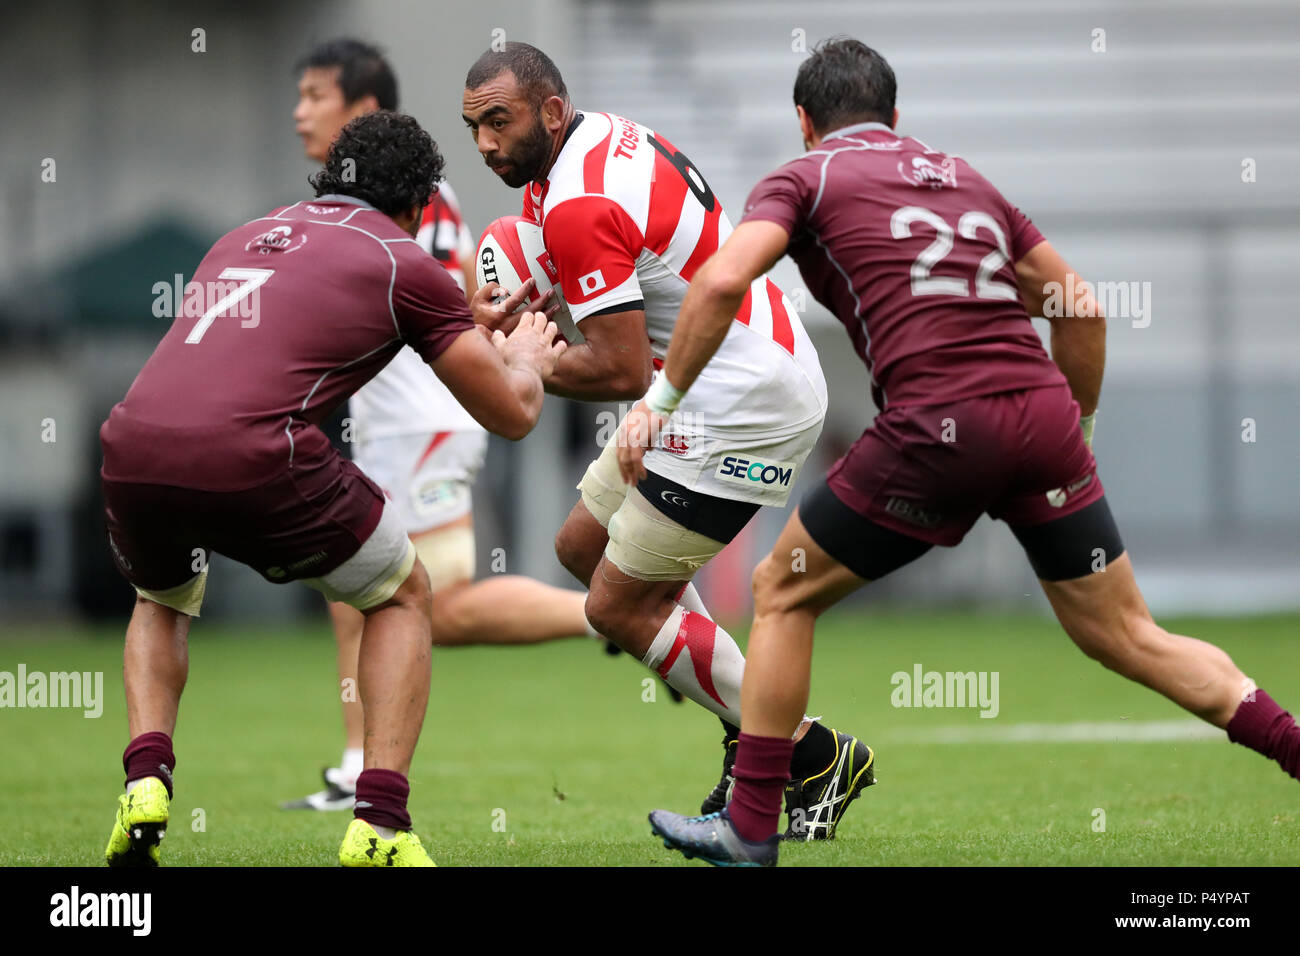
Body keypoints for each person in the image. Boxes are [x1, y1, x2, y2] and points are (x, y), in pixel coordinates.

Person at [629, 38, 1300, 866]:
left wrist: (659, 404)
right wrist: (1076, 438)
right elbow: (1081, 309)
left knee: (782, 591)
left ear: (804, 121)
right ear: (896, 115)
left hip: (937, 422)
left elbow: (721, 281)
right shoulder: (967, 179)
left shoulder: (804, 178)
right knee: (1129, 633)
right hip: (1043, 420)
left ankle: (751, 826)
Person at [100, 110, 565, 867]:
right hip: (254, 454)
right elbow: (512, 415)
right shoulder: (402, 257)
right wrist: (528, 362)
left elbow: (299, 326)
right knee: (405, 594)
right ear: (421, 206)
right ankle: (379, 823)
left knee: (161, 599)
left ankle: (146, 780)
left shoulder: (244, 235)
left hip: (133, 446)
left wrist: (456, 317)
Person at [463, 42, 875, 840]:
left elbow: (617, 367)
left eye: (499, 122)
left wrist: (524, 363)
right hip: (711, 377)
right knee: (581, 548)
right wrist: (508, 313)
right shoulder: (588, 144)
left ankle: (811, 753)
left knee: (615, 606)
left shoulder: (577, 199)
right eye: (474, 126)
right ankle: (763, 741)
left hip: (743, 400)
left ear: (551, 111)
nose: (485, 143)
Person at [287, 38, 599, 812]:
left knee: (440, 606)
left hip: (419, 419)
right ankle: (356, 767)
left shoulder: (401, 194)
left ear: (363, 108)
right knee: (353, 590)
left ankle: (613, 614)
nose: (299, 113)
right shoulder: (383, 194)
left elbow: (425, 299)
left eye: (315, 96)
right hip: (400, 422)